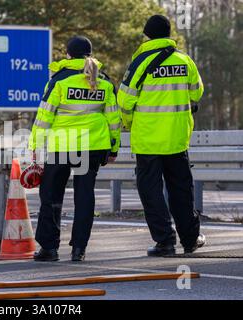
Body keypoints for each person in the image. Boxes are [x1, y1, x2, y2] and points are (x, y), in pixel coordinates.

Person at [117, 15, 206, 256]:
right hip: (177, 138)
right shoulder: (185, 60)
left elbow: (124, 101)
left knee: (151, 191)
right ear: (168, 34)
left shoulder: (140, 62)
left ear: (147, 35)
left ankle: (165, 241)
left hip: (148, 140)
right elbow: (197, 92)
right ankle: (190, 239)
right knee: (181, 190)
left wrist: (128, 123)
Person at [28, 36, 121, 262]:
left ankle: (49, 248)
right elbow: (114, 119)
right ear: (89, 54)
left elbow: (44, 117)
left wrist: (35, 146)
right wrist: (113, 148)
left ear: (68, 54)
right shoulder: (104, 82)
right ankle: (79, 249)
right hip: (93, 146)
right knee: (84, 197)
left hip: (62, 146)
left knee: (51, 196)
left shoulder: (58, 81)